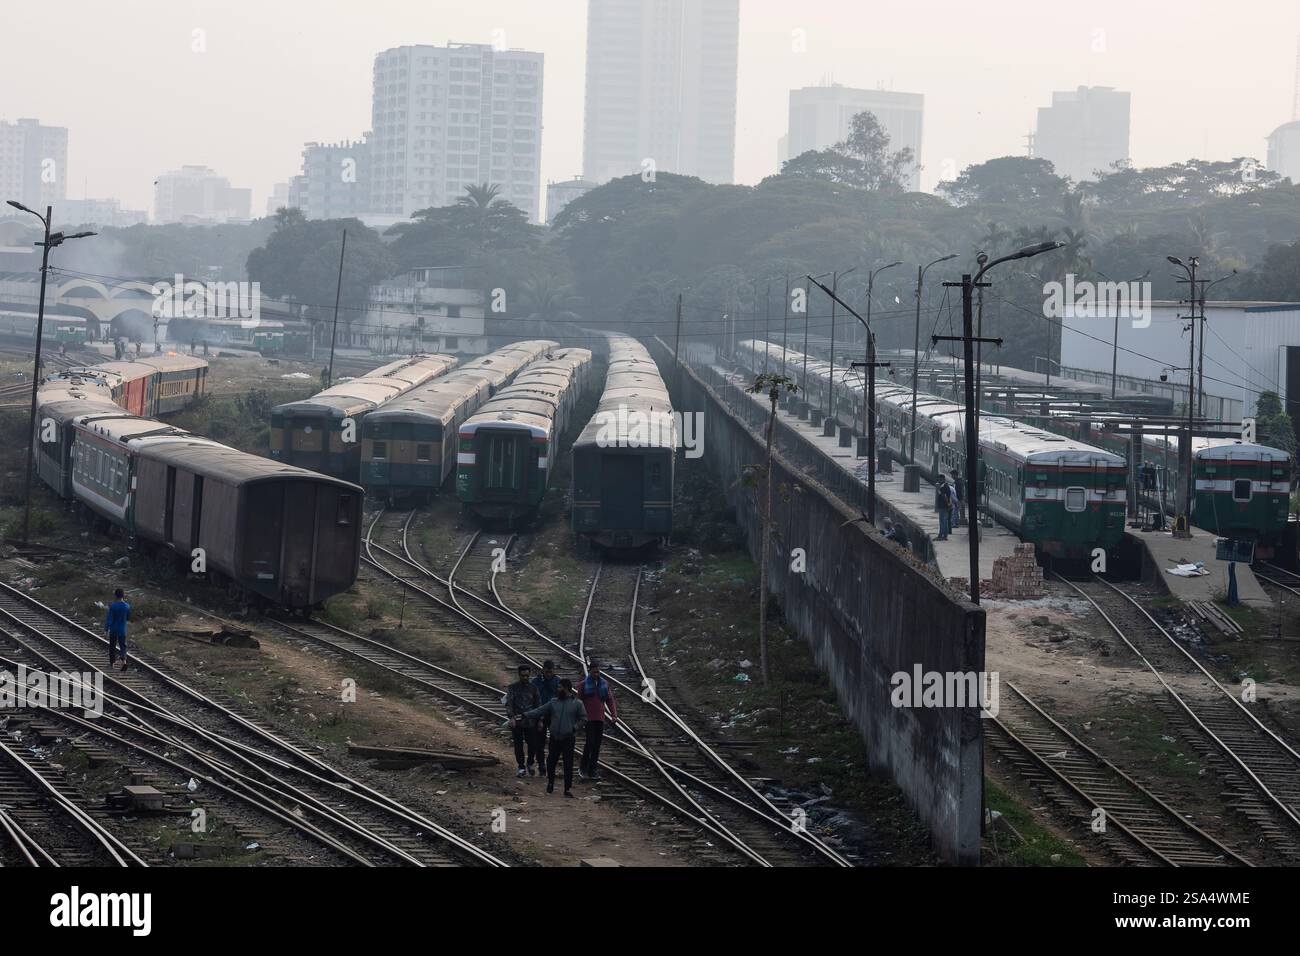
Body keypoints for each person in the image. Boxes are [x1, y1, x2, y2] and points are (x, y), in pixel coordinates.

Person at [523, 678, 585, 797]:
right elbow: (539, 711)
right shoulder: (553, 702)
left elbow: (583, 719)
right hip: (555, 737)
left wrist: (574, 728)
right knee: (551, 762)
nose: (558, 689)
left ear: (566, 688)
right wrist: (525, 715)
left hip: (568, 738)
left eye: (560, 687)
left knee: (568, 764)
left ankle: (567, 789)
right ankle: (550, 783)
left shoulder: (577, 704)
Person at [576, 659, 617, 780]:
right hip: (588, 719)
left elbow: (610, 700)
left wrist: (614, 714)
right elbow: (579, 701)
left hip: (600, 719)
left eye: (598, 672)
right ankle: (583, 768)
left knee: (597, 745)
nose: (596, 674)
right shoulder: (583, 685)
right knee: (589, 743)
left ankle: (592, 770)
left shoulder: (604, 684)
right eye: (594, 672)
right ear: (590, 672)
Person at [505, 664, 541, 777]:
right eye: (523, 675)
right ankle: (521, 766)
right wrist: (511, 717)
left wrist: (540, 720)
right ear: (519, 675)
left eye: (527, 675)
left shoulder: (534, 688)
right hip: (517, 721)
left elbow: (538, 705)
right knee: (518, 745)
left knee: (533, 744)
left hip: (531, 722)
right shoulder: (512, 688)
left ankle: (530, 763)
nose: (525, 678)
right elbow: (509, 704)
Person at [531, 660, 559, 756]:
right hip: (539, 714)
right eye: (547, 672)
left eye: (550, 672)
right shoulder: (536, 681)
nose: (548, 674)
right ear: (543, 670)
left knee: (554, 739)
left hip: (553, 714)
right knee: (539, 740)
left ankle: (551, 760)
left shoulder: (557, 681)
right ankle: (541, 762)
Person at [104, 588, 131, 670]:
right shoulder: (127, 606)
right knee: (123, 646)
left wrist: (106, 630)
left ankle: (112, 664)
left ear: (115, 596)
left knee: (112, 646)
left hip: (113, 629)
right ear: (123, 595)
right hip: (122, 629)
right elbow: (128, 618)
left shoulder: (113, 606)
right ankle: (124, 662)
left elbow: (109, 619)